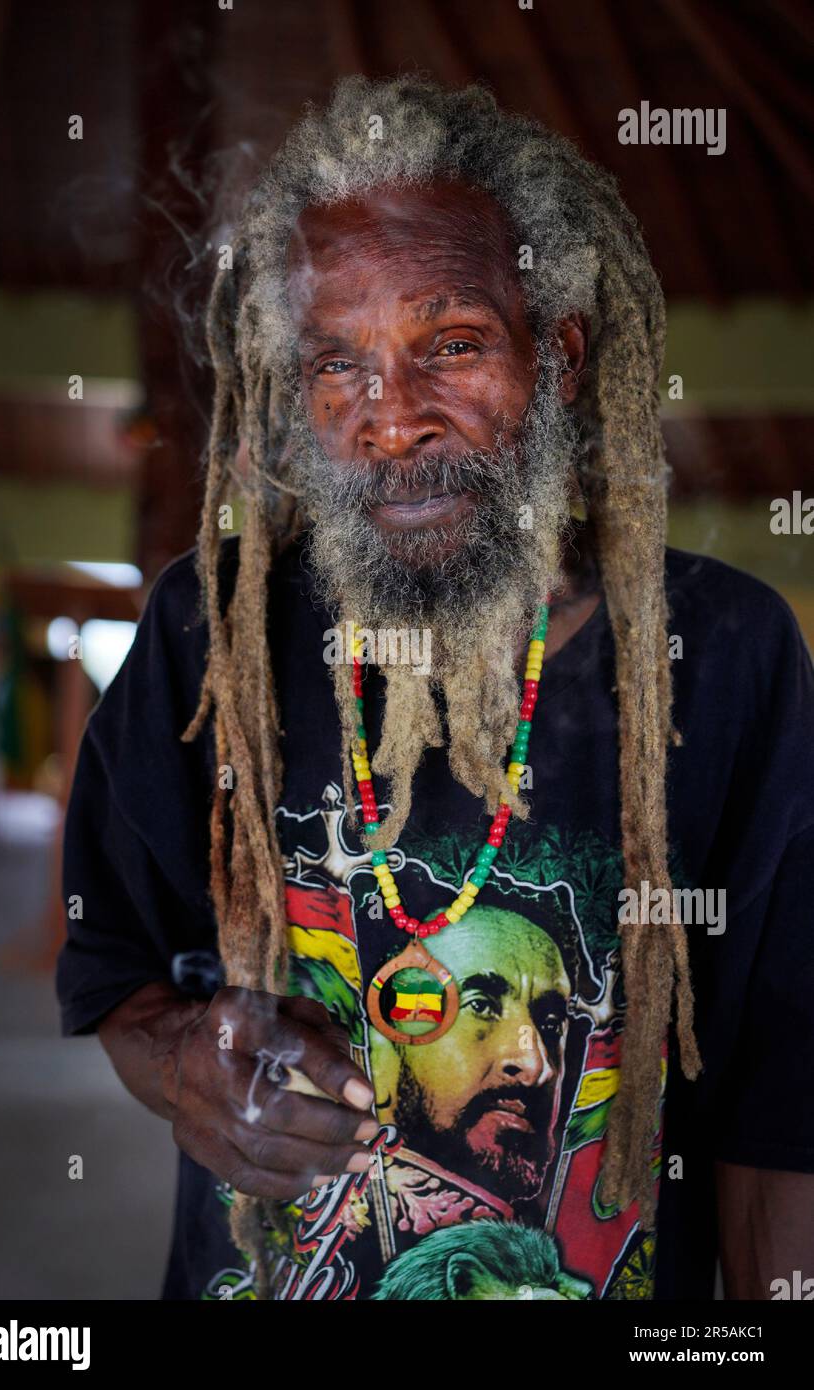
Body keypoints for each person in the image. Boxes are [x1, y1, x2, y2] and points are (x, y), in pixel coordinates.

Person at [56, 75, 814, 1301]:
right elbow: (112, 969)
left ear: (556, 355)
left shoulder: (722, 652)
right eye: (335, 365)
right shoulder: (212, 631)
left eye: (449, 344)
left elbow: (780, 1124)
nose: (390, 419)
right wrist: (188, 1061)